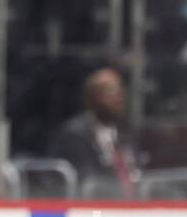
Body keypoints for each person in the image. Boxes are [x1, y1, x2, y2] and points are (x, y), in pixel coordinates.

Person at [50, 67, 140, 198]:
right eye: (110, 92)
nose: (119, 98)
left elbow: (138, 171)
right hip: (94, 210)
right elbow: (88, 184)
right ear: (91, 99)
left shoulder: (125, 133)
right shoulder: (75, 134)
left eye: (121, 91)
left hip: (133, 209)